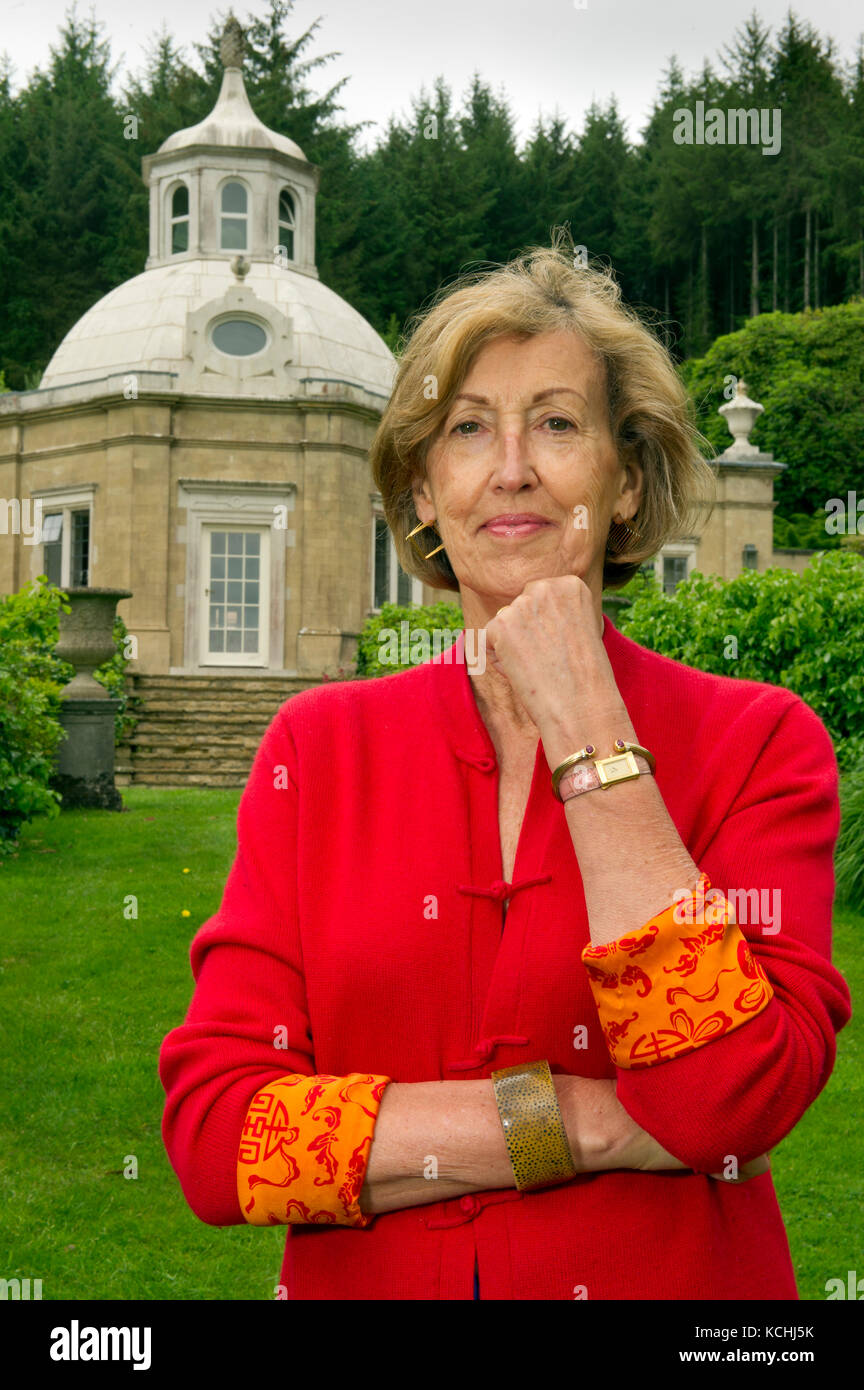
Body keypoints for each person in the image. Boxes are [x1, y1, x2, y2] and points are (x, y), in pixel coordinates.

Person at [159, 235, 851, 1300]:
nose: (512, 465)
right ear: (426, 491)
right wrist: (591, 1121)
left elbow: (727, 1105)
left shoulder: (758, 743)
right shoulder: (318, 749)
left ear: (625, 483)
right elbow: (221, 1138)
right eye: (468, 428)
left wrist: (587, 725)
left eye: (559, 424)